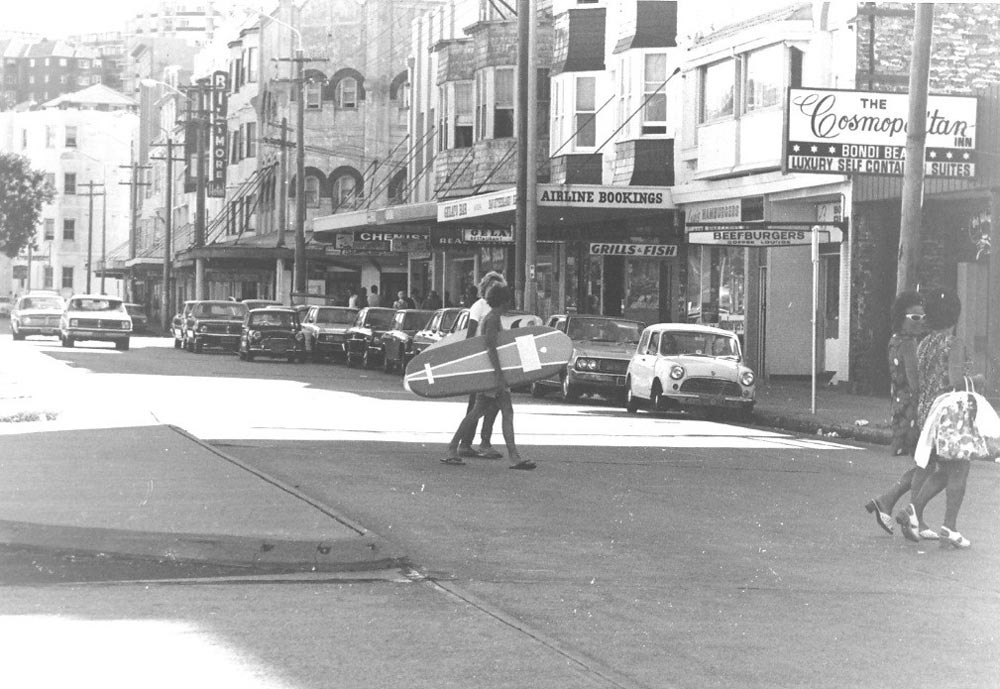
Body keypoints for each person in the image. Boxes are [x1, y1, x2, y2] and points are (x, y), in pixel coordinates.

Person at [896, 288, 977, 548]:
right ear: (955, 315)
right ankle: (948, 527)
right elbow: (955, 380)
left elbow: (917, 384)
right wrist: (978, 381)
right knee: (960, 469)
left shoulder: (925, 345)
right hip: (951, 414)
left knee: (945, 470)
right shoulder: (954, 343)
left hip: (928, 412)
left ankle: (916, 513)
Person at [442, 284, 535, 470]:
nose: (511, 302)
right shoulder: (492, 319)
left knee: (477, 413)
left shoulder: (492, 317)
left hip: (491, 374)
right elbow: (491, 347)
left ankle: (452, 448)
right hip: (494, 375)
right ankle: (514, 457)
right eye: (509, 299)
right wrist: (499, 376)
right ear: (504, 300)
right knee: (506, 413)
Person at [864, 291, 929, 535]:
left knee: (925, 465)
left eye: (923, 316)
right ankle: (914, 518)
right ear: (902, 318)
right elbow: (916, 384)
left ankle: (886, 502)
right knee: (927, 465)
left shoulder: (894, 340)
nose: (920, 320)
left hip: (900, 409)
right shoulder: (910, 344)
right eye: (915, 316)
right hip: (914, 410)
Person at [453, 271, 506, 459]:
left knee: (491, 404)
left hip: (493, 361)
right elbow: (470, 334)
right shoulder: (479, 306)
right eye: (493, 285)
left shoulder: (496, 309)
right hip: (481, 362)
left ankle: (478, 442)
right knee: (479, 404)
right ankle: (467, 443)